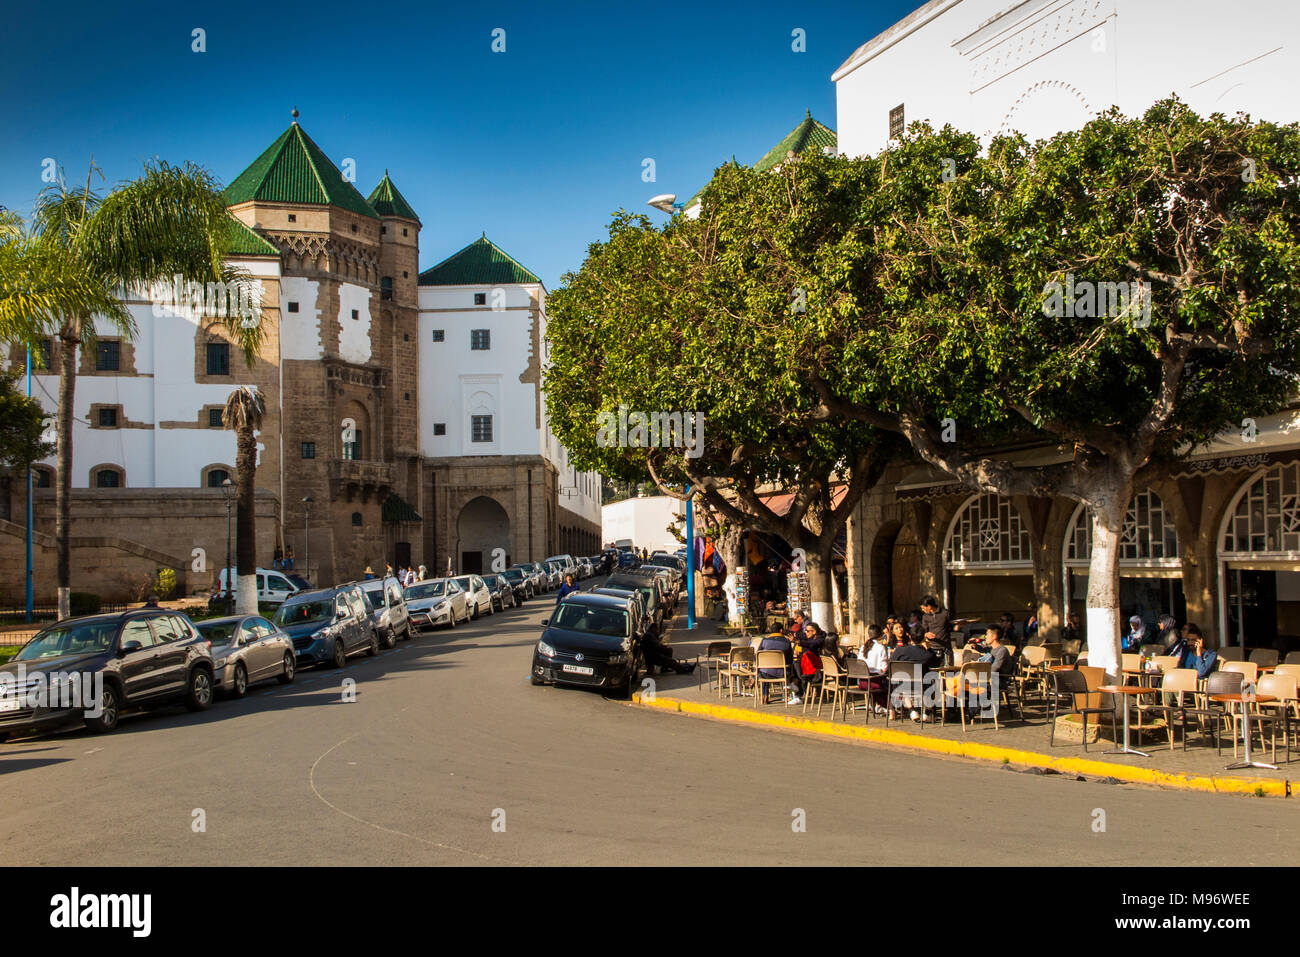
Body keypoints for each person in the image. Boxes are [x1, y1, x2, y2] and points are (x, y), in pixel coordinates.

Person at [890, 632, 941, 721]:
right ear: (923, 639)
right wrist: (928, 648)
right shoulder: (926, 653)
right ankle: (927, 712)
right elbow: (936, 663)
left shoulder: (899, 650)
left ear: (910, 637)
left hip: (901, 686)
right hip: (922, 686)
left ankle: (911, 709)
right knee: (934, 679)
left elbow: (891, 664)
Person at [757, 630, 795, 703]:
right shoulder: (786, 642)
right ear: (781, 630)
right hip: (782, 673)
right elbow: (790, 658)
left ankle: (765, 695)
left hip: (765, 673)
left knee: (765, 669)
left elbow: (758, 655)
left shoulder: (764, 641)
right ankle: (789, 695)